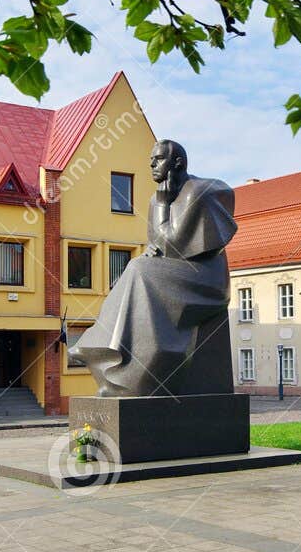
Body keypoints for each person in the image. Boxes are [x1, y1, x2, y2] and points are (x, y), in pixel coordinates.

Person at [71, 139, 236, 396]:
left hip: (206, 280)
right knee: (138, 267)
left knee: (138, 269)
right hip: (175, 274)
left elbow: (176, 247)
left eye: (158, 159)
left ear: (178, 163)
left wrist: (163, 205)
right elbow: (157, 245)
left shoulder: (197, 192)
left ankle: (136, 367)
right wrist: (158, 221)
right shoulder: (157, 199)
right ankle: (118, 366)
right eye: (150, 161)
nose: (152, 165)